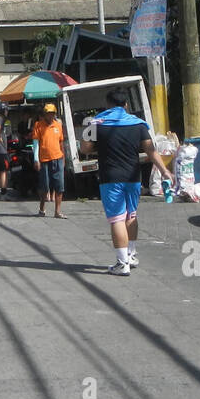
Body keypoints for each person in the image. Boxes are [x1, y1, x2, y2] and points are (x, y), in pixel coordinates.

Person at [79, 88, 173, 276]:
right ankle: (131, 254)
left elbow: (84, 149)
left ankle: (122, 264)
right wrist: (164, 171)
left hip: (111, 178)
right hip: (133, 177)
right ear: (126, 105)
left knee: (117, 219)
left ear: (108, 105)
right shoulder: (139, 124)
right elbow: (151, 150)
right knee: (131, 215)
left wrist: (98, 142)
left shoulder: (97, 124)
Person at [32, 103, 67, 218]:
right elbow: (36, 143)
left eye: (52, 113)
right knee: (44, 186)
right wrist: (36, 159)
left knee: (59, 186)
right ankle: (42, 208)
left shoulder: (58, 126)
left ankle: (57, 211)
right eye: (48, 113)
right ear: (45, 114)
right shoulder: (38, 125)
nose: (50, 116)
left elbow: (61, 142)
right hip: (44, 160)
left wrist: (63, 157)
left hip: (57, 158)